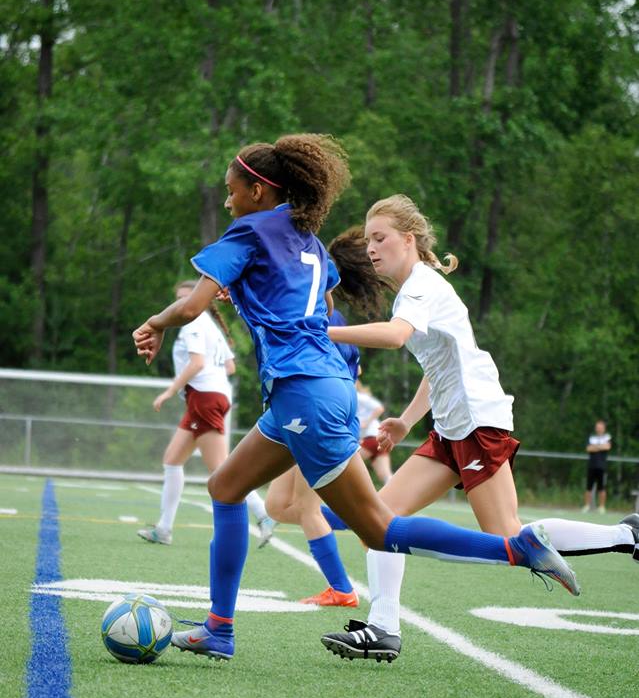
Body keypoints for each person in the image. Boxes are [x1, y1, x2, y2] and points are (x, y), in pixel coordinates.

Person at [132, 135, 580, 666]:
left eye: (231, 191)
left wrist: (155, 323)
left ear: (257, 190)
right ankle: (219, 629)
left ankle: (516, 548)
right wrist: (247, 291)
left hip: (305, 397)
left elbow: (190, 309)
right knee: (225, 487)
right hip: (318, 392)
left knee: (379, 528)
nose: (227, 201)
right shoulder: (310, 242)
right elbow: (309, 304)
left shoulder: (248, 230)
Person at [321, 194, 639, 660]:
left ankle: (627, 536)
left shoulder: (420, 287)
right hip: (451, 428)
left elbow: (394, 337)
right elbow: (440, 363)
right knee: (380, 519)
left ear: (407, 241)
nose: (371, 248)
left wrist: (320, 332)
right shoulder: (416, 287)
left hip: (476, 422)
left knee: (507, 533)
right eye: (368, 238)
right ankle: (383, 627)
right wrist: (404, 421)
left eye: (380, 237)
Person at [264, 226, 388, 608]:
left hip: (318, 416)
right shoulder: (331, 318)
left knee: (305, 507)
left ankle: (343, 588)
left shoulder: (323, 320)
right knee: (276, 505)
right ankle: (361, 522)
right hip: (304, 415)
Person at [136, 280, 275, 548]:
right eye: (177, 298)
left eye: (185, 298)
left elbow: (198, 363)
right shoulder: (209, 326)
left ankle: (263, 514)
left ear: (201, 299)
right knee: (172, 460)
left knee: (222, 471)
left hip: (205, 399)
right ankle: (164, 528)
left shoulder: (194, 323)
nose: (179, 304)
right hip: (211, 397)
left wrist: (169, 391)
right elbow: (231, 366)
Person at [356, 373, 393, 485]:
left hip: (372, 438)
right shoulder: (355, 398)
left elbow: (379, 408)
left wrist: (366, 422)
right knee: (387, 477)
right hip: (377, 439)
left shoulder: (358, 397)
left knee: (345, 465)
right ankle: (402, 498)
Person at [582, 419, 612, 514]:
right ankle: (587, 506)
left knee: (601, 488)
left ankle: (602, 507)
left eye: (600, 427)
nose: (599, 429)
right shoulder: (591, 437)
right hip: (591, 466)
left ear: (604, 428)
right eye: (597, 427)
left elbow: (607, 447)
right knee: (588, 487)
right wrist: (600, 446)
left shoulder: (607, 437)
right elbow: (588, 448)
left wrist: (595, 447)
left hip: (602, 467)